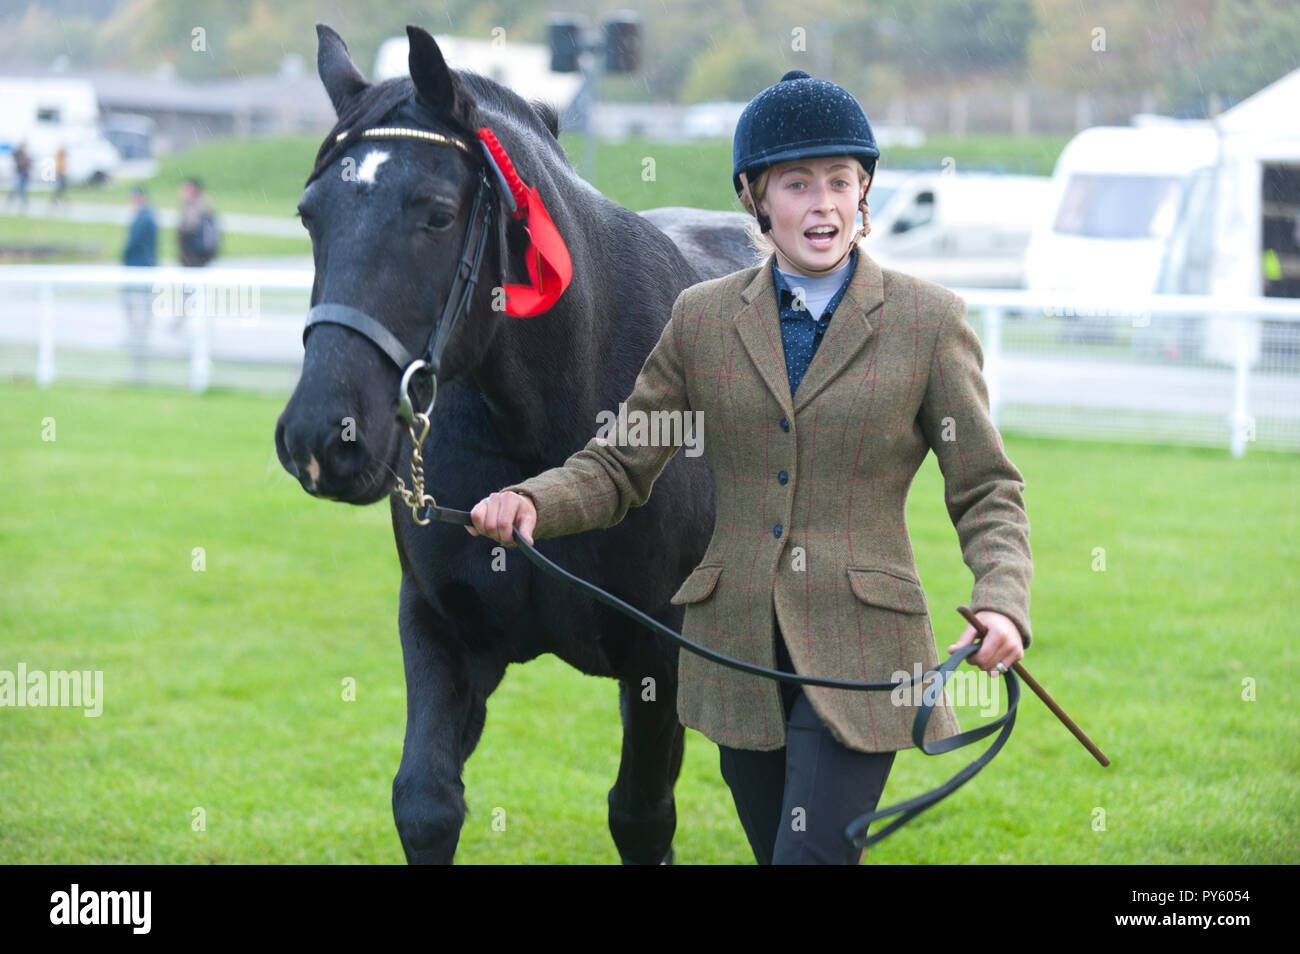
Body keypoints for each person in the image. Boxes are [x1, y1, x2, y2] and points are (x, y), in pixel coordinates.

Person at [467, 70, 1033, 865]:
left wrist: (1003, 601)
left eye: (841, 181)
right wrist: (534, 501)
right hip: (735, 654)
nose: (823, 204)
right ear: (756, 199)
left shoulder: (928, 322)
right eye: (798, 184)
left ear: (864, 195)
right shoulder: (701, 319)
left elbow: (986, 488)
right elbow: (623, 461)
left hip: (863, 648)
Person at [121, 186, 158, 382]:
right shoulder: (146, 215)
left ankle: (140, 331)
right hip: (141, 264)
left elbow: (135, 242)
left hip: (140, 265)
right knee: (138, 299)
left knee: (138, 299)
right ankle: (138, 329)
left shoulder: (146, 217)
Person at [6, 142, 31, 212]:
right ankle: (13, 198)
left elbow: (27, 163)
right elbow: (17, 159)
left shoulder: (24, 154)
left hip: (25, 173)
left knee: (22, 187)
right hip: (21, 172)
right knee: (19, 187)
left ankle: (21, 199)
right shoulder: (19, 153)